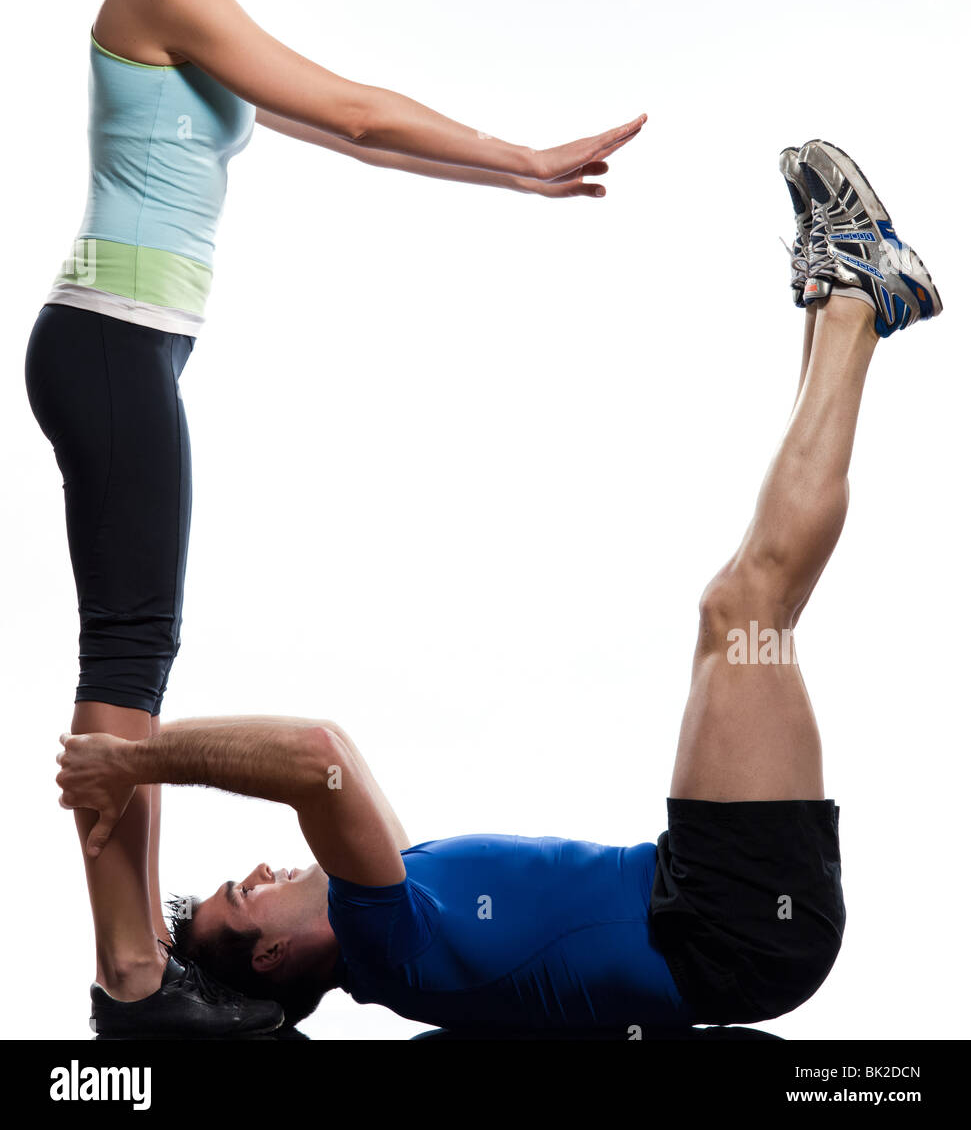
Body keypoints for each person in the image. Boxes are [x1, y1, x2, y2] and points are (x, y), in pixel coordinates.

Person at [55, 139, 942, 1037]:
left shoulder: (401, 896)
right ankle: (859, 293)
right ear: (276, 958)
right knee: (745, 610)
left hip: (701, 898)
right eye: (239, 903)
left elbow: (336, 778)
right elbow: (314, 758)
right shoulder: (387, 942)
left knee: (750, 609)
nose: (254, 874)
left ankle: (840, 290)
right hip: (727, 926)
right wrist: (133, 757)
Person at [24, 0, 646, 1040]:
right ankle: (132, 984)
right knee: (127, 660)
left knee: (138, 657)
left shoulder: (202, 17)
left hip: (130, 353)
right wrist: (523, 156)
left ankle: (143, 965)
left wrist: (511, 185)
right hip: (105, 346)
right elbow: (357, 106)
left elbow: (361, 142)